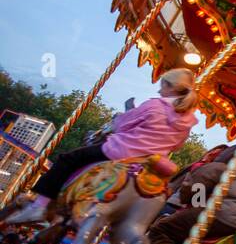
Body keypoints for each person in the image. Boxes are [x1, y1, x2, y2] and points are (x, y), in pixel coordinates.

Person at [4, 69, 199, 225]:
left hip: (119, 152)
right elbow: (177, 145)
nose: (159, 91)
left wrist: (122, 117)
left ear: (171, 87)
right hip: (144, 166)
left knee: (67, 159)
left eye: (162, 86)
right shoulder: (187, 122)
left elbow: (123, 125)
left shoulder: (155, 105)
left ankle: (39, 205)